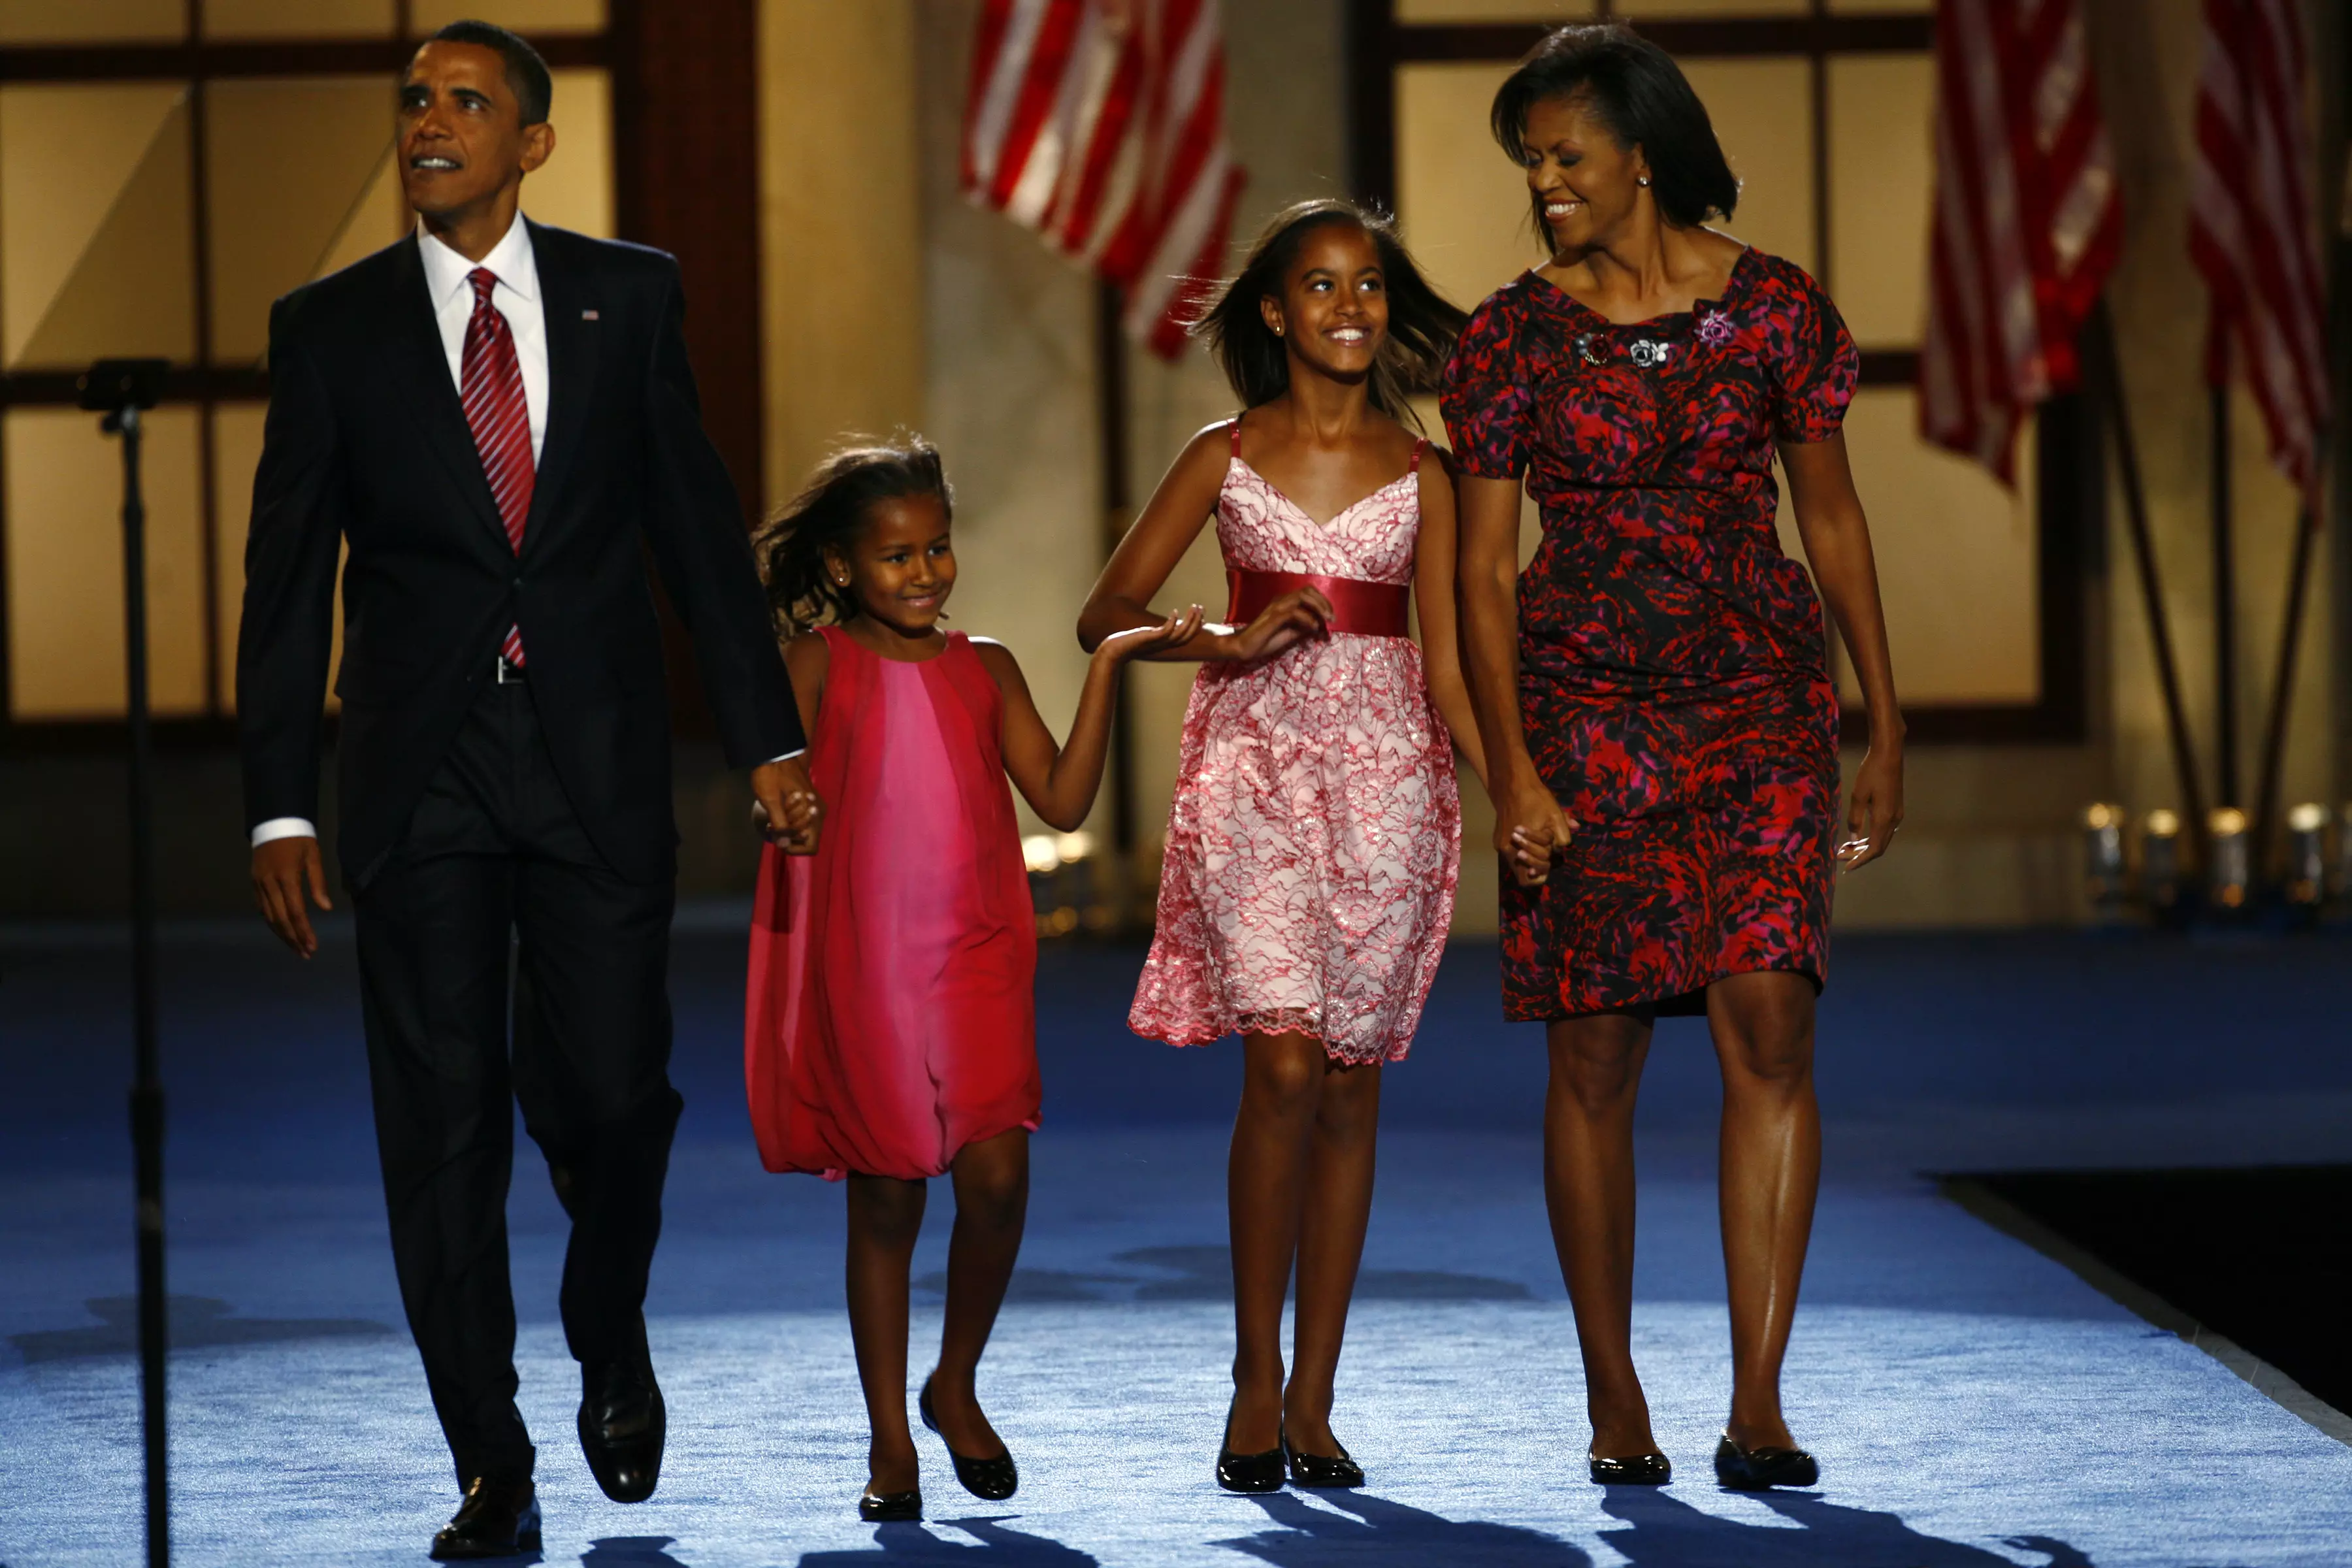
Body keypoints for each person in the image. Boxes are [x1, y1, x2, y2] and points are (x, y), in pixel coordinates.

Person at [235, 22, 820, 1560]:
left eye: (467, 102)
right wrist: (278, 801)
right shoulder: (333, 327)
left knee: (618, 1091)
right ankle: (490, 1455)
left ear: (531, 142)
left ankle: (605, 1316)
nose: (431, 120)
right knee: (439, 1122)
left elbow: (695, 526)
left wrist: (767, 733)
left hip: (595, 756)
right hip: (419, 775)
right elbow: (288, 580)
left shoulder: (629, 295)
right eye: (416, 100)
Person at [1443, 24, 1905, 1491]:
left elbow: (1829, 519)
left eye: (1565, 153)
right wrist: (1509, 770)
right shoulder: (1511, 337)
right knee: (1596, 1052)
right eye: (1531, 159)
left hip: (1761, 700)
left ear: (1641, 150)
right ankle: (1615, 1397)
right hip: (1584, 718)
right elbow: (1481, 576)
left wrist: (1882, 715)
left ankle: (1758, 1400)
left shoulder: (1775, 310)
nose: (1546, 180)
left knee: (1772, 1020)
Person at [1079, 199, 1483, 1494]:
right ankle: (1256, 1377)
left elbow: (1460, 661)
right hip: (1252, 772)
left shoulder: (1427, 472)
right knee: (1287, 1076)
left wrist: (1521, 787)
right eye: (1320, 285)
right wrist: (1224, 642)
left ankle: (1317, 1395)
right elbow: (1106, 613)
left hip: (1389, 784)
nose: (1350, 307)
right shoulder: (1223, 450)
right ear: (1275, 310)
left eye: (1369, 285)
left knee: (1354, 1083)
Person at [744, 438, 1194, 1522]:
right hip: (865, 965)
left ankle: (954, 1381)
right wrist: (779, 802)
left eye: (938, 548)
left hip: (980, 956)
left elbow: (1065, 800)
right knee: (889, 1196)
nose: (926, 573)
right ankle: (889, 1437)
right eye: (897, 556)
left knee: (996, 1182)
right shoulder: (813, 662)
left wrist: (1106, 667)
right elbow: (775, 781)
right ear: (845, 567)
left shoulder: (982, 665)